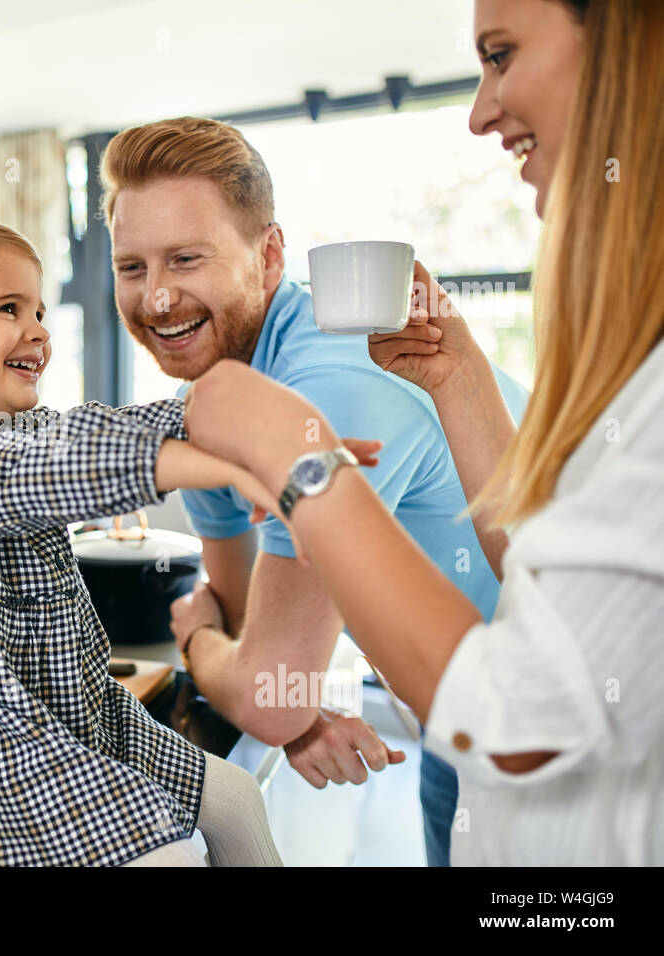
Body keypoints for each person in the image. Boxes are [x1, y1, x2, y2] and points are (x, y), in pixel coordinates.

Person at [181, 0, 663, 865]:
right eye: (130, 264)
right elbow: (550, 566)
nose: (480, 111)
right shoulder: (632, 338)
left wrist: (306, 466)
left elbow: (516, 719)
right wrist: (460, 378)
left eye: (503, 54)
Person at [0, 218, 366, 866]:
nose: (40, 330)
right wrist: (239, 466)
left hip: (65, 715)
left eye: (41, 311)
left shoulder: (18, 429)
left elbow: (93, 432)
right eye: (8, 308)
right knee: (169, 854)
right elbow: (54, 473)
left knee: (237, 797)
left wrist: (240, 429)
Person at [101, 116, 529, 866]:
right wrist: (277, 696)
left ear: (268, 257)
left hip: (546, 730)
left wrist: (201, 641)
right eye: (131, 267)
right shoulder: (219, 397)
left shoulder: (329, 379)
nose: (157, 299)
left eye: (186, 259)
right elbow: (250, 625)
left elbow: (258, 675)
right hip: (456, 722)